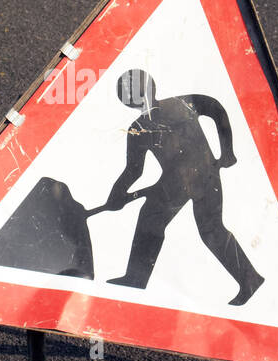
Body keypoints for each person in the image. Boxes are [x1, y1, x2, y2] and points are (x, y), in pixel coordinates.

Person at [104, 69, 264, 306]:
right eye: (128, 94)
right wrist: (116, 194)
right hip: (175, 181)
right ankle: (136, 278)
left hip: (203, 175)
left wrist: (227, 150)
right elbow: (133, 170)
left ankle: (249, 278)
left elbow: (216, 108)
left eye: (136, 91)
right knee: (157, 219)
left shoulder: (182, 104)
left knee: (208, 229)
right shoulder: (139, 127)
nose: (135, 97)